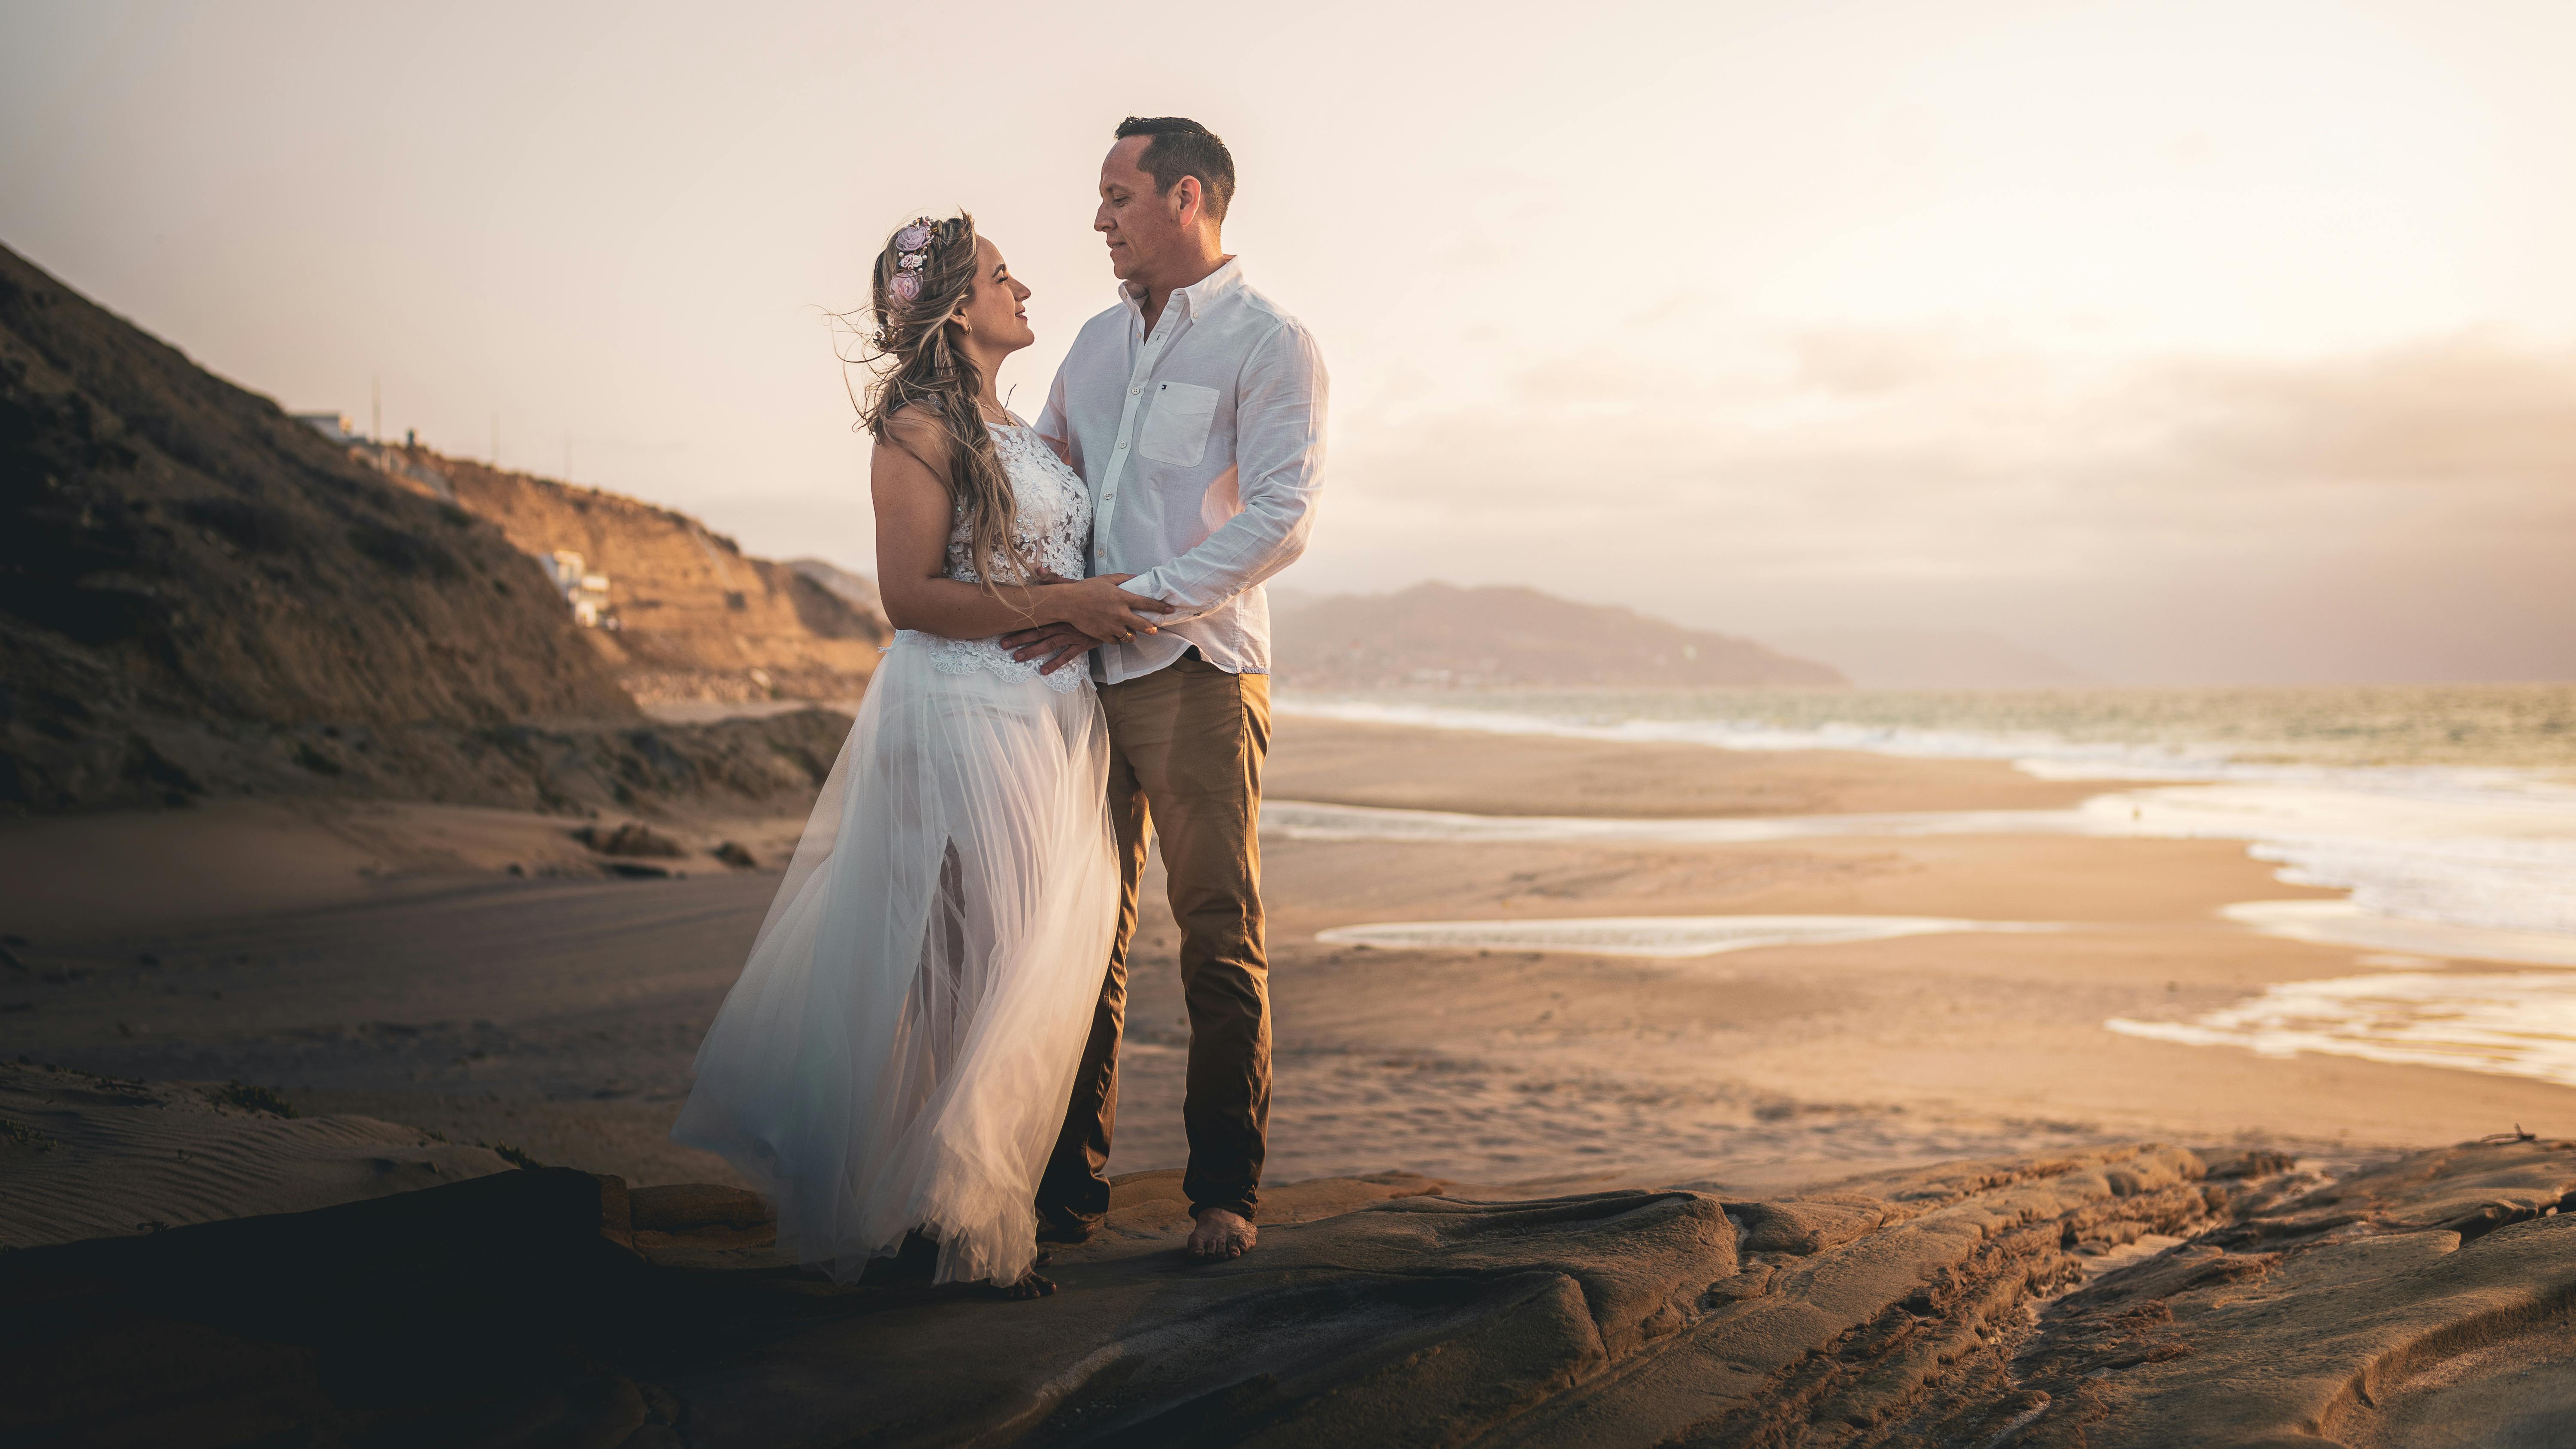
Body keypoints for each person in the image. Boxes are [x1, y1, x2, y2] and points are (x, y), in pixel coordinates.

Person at [671, 213, 1174, 1298]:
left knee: (1028, 961)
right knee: (961, 969)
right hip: (957, 714)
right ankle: (923, 1218)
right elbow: (907, 597)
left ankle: (964, 1209)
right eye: (1002, 275)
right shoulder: (916, 426)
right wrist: (1067, 603)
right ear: (957, 309)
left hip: (1051, 721)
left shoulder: (1026, 431)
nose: (1024, 287)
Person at [1006, 117, 1329, 1263]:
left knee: (1214, 935)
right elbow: (1046, 485)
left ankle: (1223, 1194)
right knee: (1078, 932)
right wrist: (1046, 596)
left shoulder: (1267, 340)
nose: (1097, 220)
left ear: (1183, 197)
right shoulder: (1092, 344)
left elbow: (1280, 515)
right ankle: (1061, 1191)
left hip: (1197, 672)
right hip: (1080, 676)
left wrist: (1133, 597)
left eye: (1115, 196)